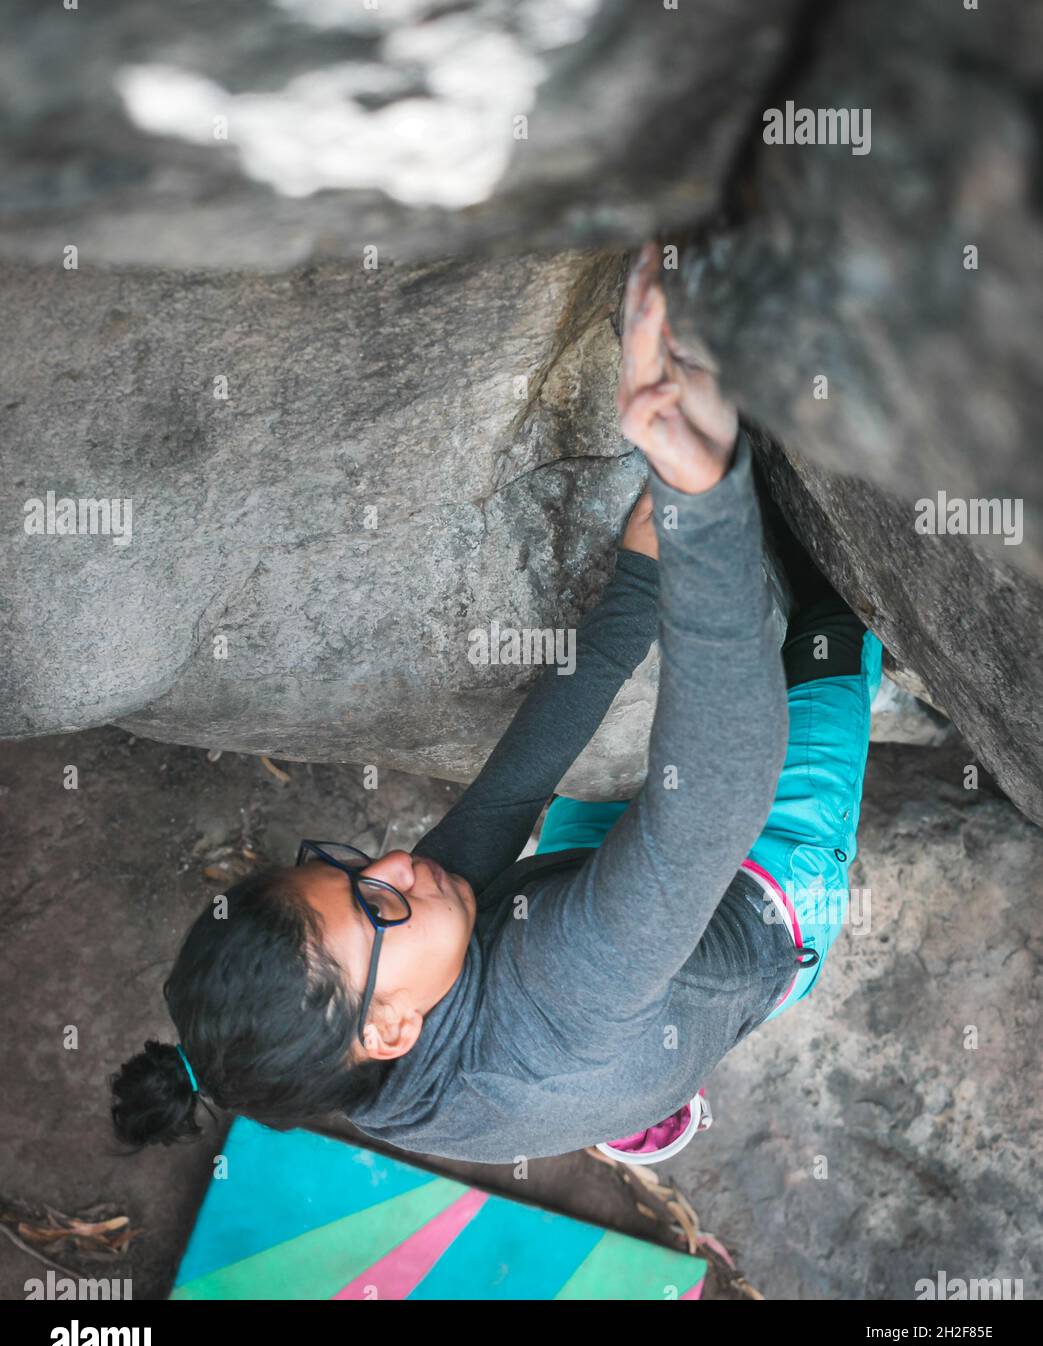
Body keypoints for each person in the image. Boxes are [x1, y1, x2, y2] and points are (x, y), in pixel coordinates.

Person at [112, 244, 881, 1166]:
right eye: (376, 904)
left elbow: (509, 793)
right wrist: (697, 495)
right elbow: (718, 792)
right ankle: (642, 1073)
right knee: (832, 625)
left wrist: (634, 587)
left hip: (574, 998)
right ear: (393, 1031)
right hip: (761, 915)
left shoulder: (362, 1062)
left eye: (351, 869)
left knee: (586, 832)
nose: (396, 861)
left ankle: (627, 1107)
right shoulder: (555, 990)